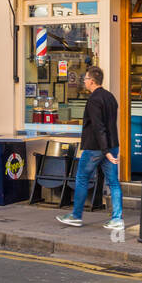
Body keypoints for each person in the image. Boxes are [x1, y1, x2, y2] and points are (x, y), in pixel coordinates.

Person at [57, 66, 123, 230]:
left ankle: (76, 216)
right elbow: (111, 125)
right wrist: (110, 149)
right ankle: (117, 219)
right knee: (114, 183)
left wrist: (105, 151)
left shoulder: (94, 100)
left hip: (96, 148)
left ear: (92, 81)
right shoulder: (110, 97)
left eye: (85, 79)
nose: (84, 81)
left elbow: (98, 127)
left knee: (82, 178)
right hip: (112, 145)